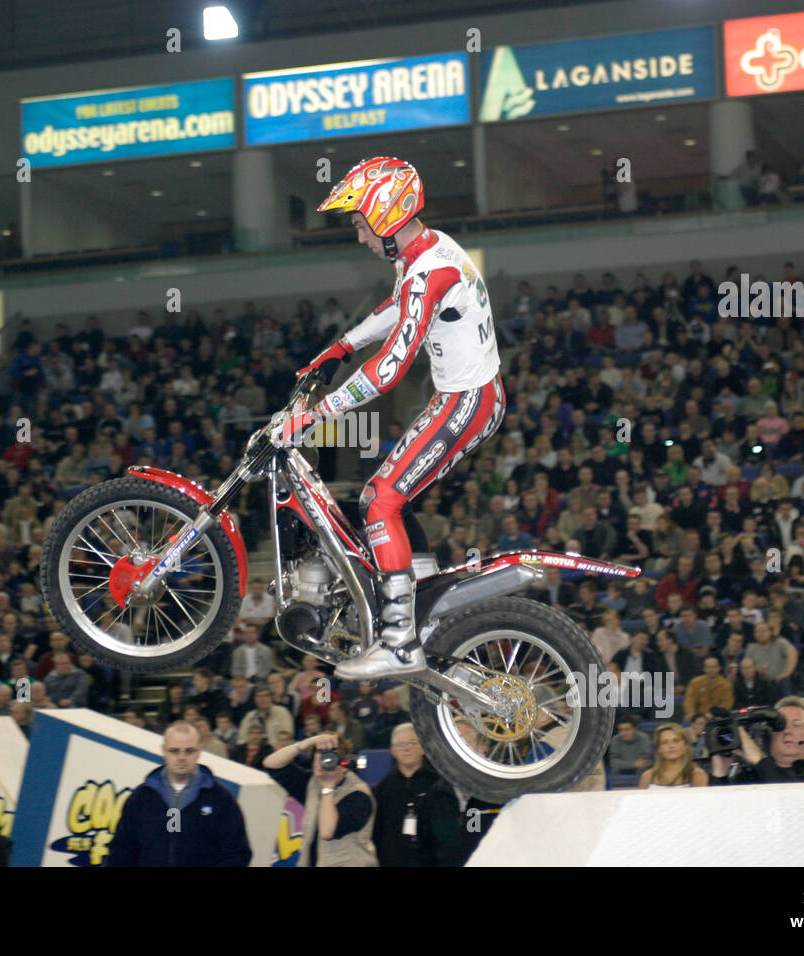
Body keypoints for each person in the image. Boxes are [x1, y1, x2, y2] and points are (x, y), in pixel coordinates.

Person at [287, 157, 504, 679]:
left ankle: (401, 641)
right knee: (387, 495)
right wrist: (341, 346)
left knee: (379, 501)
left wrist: (318, 414)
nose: (358, 236)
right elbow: (398, 307)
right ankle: (417, 588)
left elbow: (388, 371)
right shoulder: (424, 251)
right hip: (463, 396)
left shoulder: (429, 269)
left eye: (360, 223)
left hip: (466, 404)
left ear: (384, 215)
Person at [107, 721, 252, 866]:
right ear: (164, 751)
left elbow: (237, 853)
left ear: (200, 751)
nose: (182, 757)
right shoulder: (141, 797)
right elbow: (121, 851)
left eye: (189, 751)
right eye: (174, 751)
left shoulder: (220, 798)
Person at [260, 732, 378, 866]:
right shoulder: (312, 783)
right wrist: (308, 742)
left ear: (343, 764)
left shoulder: (359, 794)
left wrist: (328, 786)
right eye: (319, 752)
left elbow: (327, 831)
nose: (323, 759)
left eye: (330, 755)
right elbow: (271, 764)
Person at [418, 720, 502, 866]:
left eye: (465, 743)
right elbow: (424, 850)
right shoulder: (435, 796)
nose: (459, 753)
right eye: (452, 746)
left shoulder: (499, 794)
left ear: (484, 747)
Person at [708, 697, 804, 785]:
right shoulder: (747, 779)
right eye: (780, 725)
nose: (787, 731)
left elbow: (790, 798)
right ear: (769, 735)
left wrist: (759, 759)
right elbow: (718, 816)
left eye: (797, 724)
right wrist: (720, 774)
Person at [371, 723, 442, 867]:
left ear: (423, 747)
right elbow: (377, 832)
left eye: (412, 742)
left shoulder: (438, 785)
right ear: (393, 751)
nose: (407, 748)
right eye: (401, 745)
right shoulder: (383, 788)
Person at [638, 722, 708, 788]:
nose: (671, 746)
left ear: (685, 745)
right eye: (665, 742)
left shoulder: (697, 775)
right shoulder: (647, 777)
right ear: (659, 749)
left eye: (676, 741)